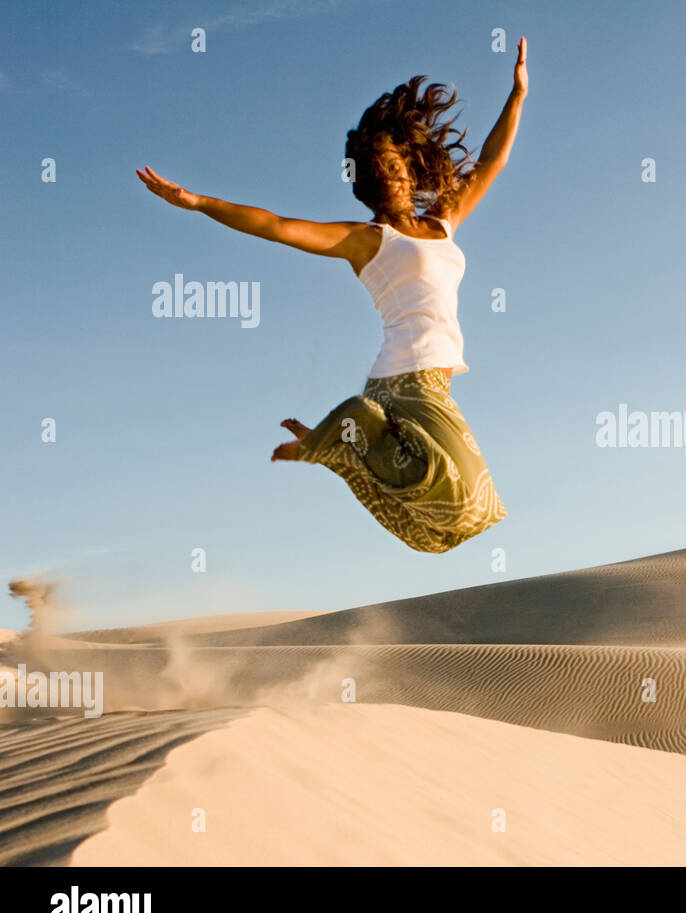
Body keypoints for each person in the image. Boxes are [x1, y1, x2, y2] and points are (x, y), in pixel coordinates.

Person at [137, 39, 528, 552]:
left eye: (396, 165)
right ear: (368, 182)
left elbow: (491, 162)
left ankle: (344, 444)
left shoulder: (443, 223)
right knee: (465, 501)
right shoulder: (368, 240)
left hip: (436, 382)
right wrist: (197, 202)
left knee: (448, 530)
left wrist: (517, 95)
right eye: (380, 170)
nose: (391, 176)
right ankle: (347, 429)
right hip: (403, 380)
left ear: (410, 167)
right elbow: (277, 226)